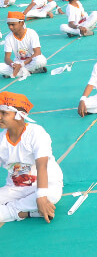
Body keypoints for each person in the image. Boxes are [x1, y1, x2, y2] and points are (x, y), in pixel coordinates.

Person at [0, 91, 62, 223]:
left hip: (44, 184)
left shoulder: (36, 132)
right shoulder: (1, 139)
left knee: (51, 196)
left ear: (19, 115)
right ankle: (24, 213)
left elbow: (42, 165)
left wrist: (41, 196)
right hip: (15, 188)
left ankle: (13, 211)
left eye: (4, 113)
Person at [0, 12, 47, 77]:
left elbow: (37, 52)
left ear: (21, 23)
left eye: (13, 24)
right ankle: (31, 71)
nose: (10, 27)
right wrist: (13, 64)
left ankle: (16, 73)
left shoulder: (31, 33)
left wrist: (22, 65)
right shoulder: (8, 37)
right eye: (9, 25)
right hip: (17, 63)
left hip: (31, 61)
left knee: (41, 60)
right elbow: (7, 58)